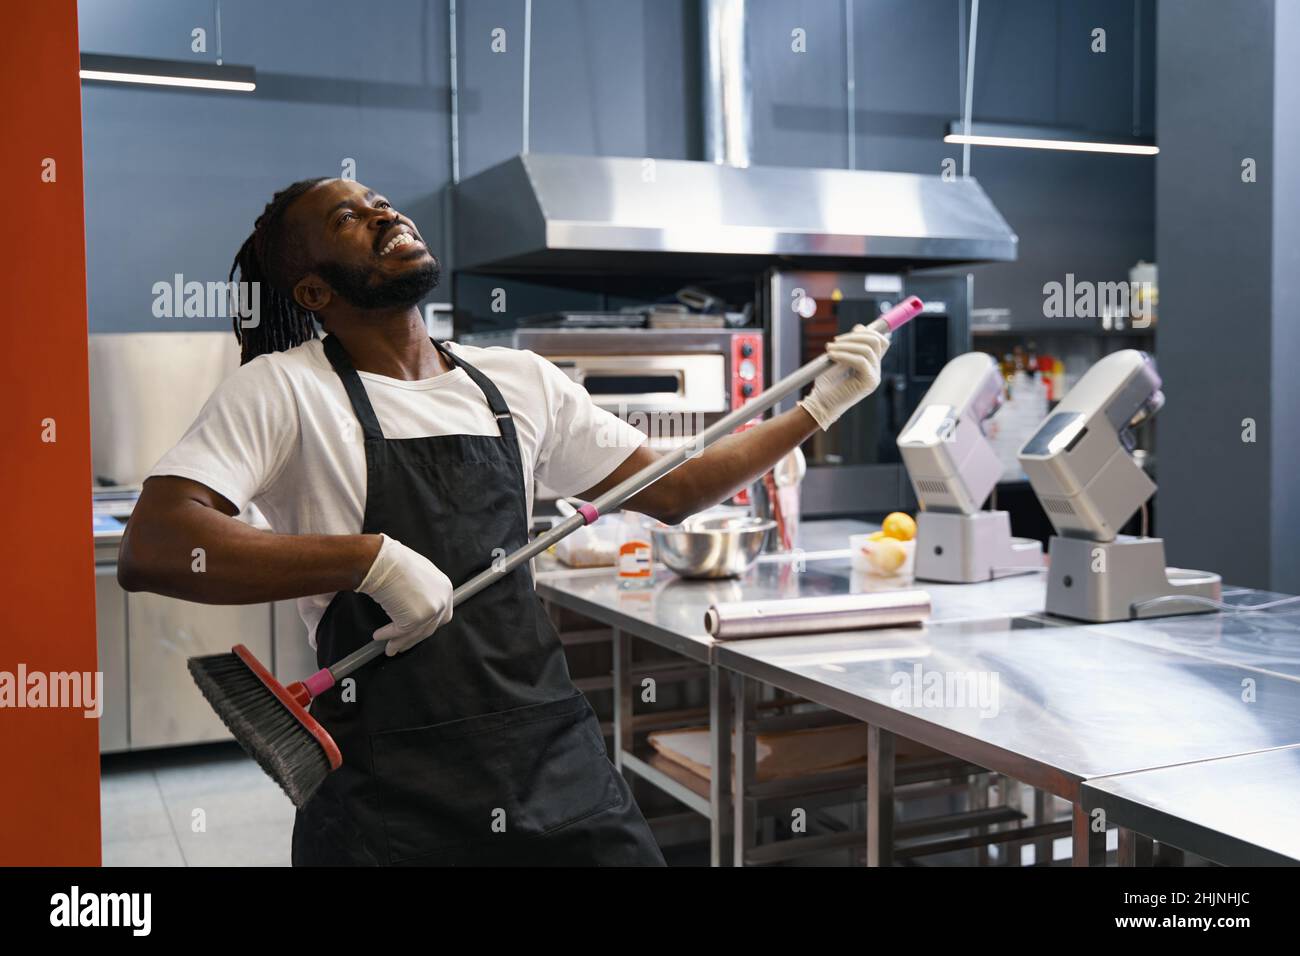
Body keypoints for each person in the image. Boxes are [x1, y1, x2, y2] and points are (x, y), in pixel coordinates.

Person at [117, 177, 890, 865]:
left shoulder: (517, 382)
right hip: (390, 787)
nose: (381, 208)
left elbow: (673, 488)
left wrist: (818, 408)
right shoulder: (283, 391)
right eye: (348, 217)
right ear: (316, 293)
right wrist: (369, 560)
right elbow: (157, 544)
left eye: (378, 199)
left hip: (547, 752)